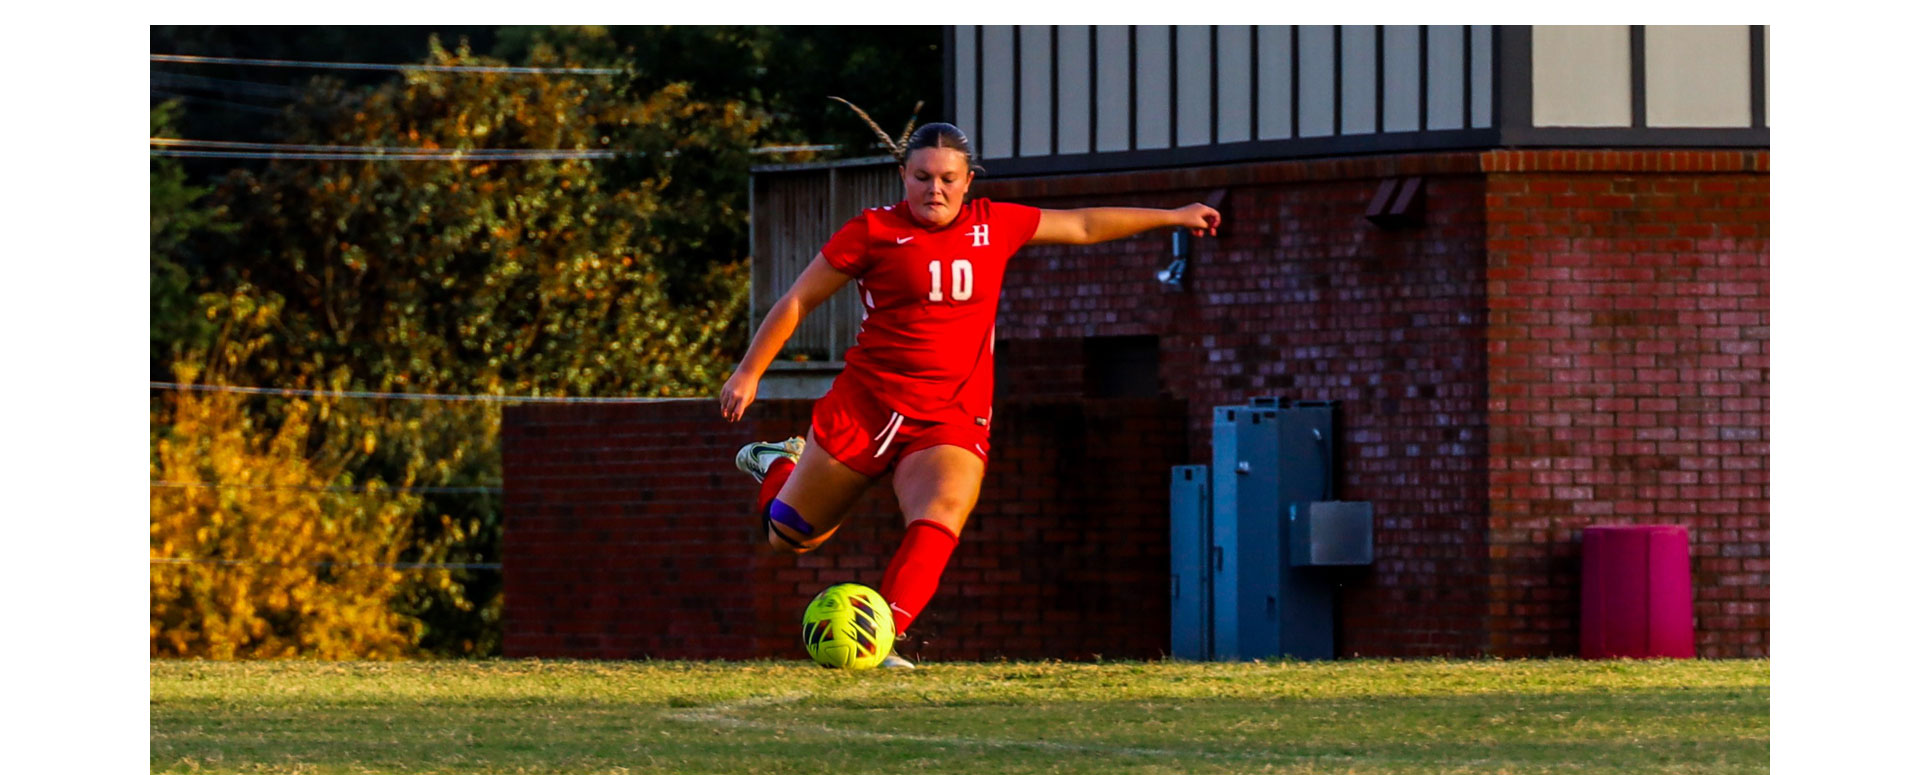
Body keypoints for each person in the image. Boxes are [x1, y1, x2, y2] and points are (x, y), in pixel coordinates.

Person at [718, 101, 1220, 668]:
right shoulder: (873, 231)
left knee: (941, 511)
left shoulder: (993, 223)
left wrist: (1174, 215)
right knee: (789, 536)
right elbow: (797, 300)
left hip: (951, 414)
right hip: (868, 406)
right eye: (923, 177)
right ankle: (777, 461)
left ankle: (885, 639)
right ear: (903, 177)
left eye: (947, 179)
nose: (935, 189)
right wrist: (748, 372)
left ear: (968, 181)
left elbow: (1082, 224)